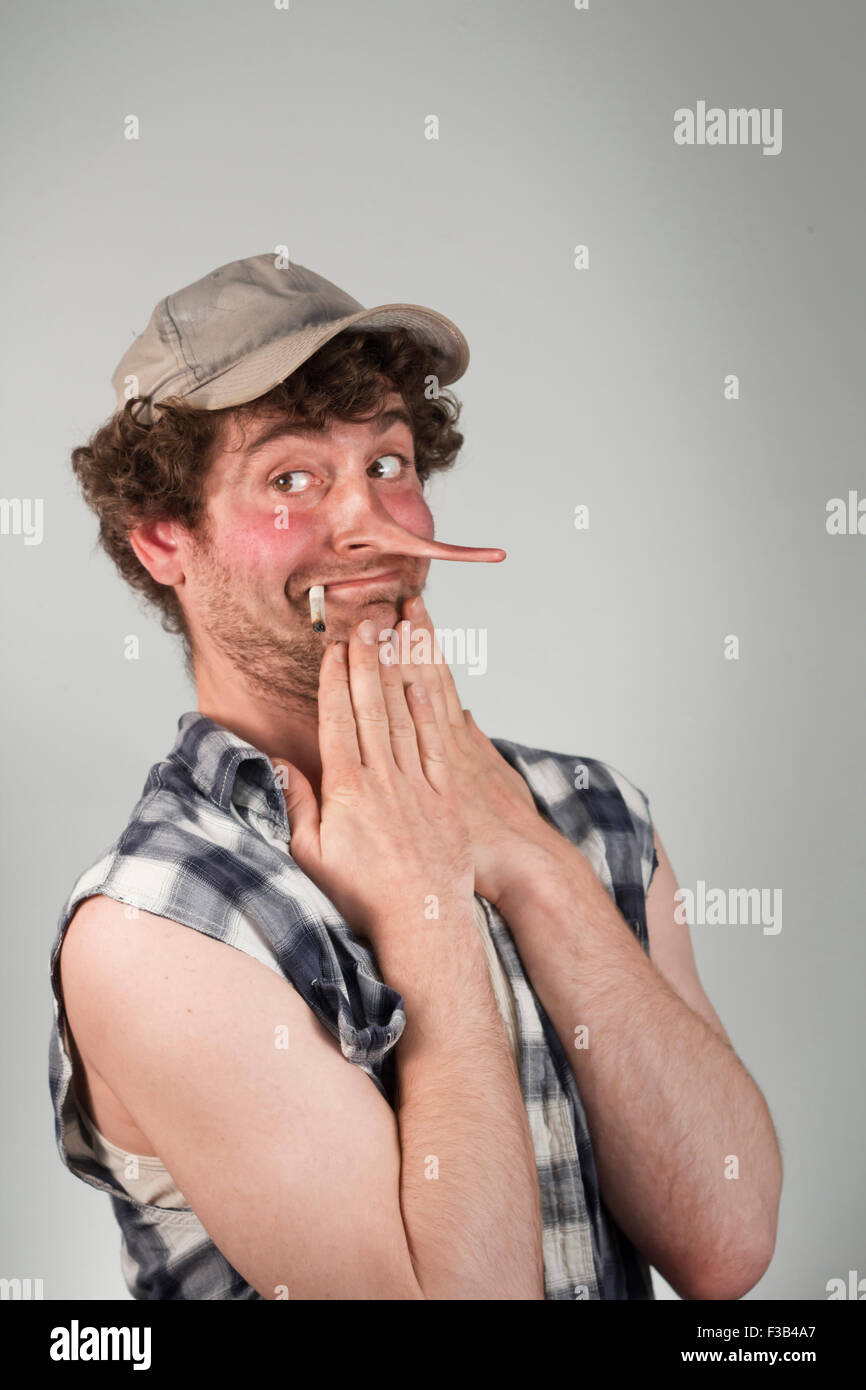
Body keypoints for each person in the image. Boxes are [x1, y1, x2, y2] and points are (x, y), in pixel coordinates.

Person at [48, 254, 782, 1301]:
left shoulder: (592, 812)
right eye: (291, 479)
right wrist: (428, 908)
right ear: (165, 535)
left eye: (387, 464)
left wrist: (527, 861)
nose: (369, 524)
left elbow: (727, 1240)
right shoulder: (160, 922)